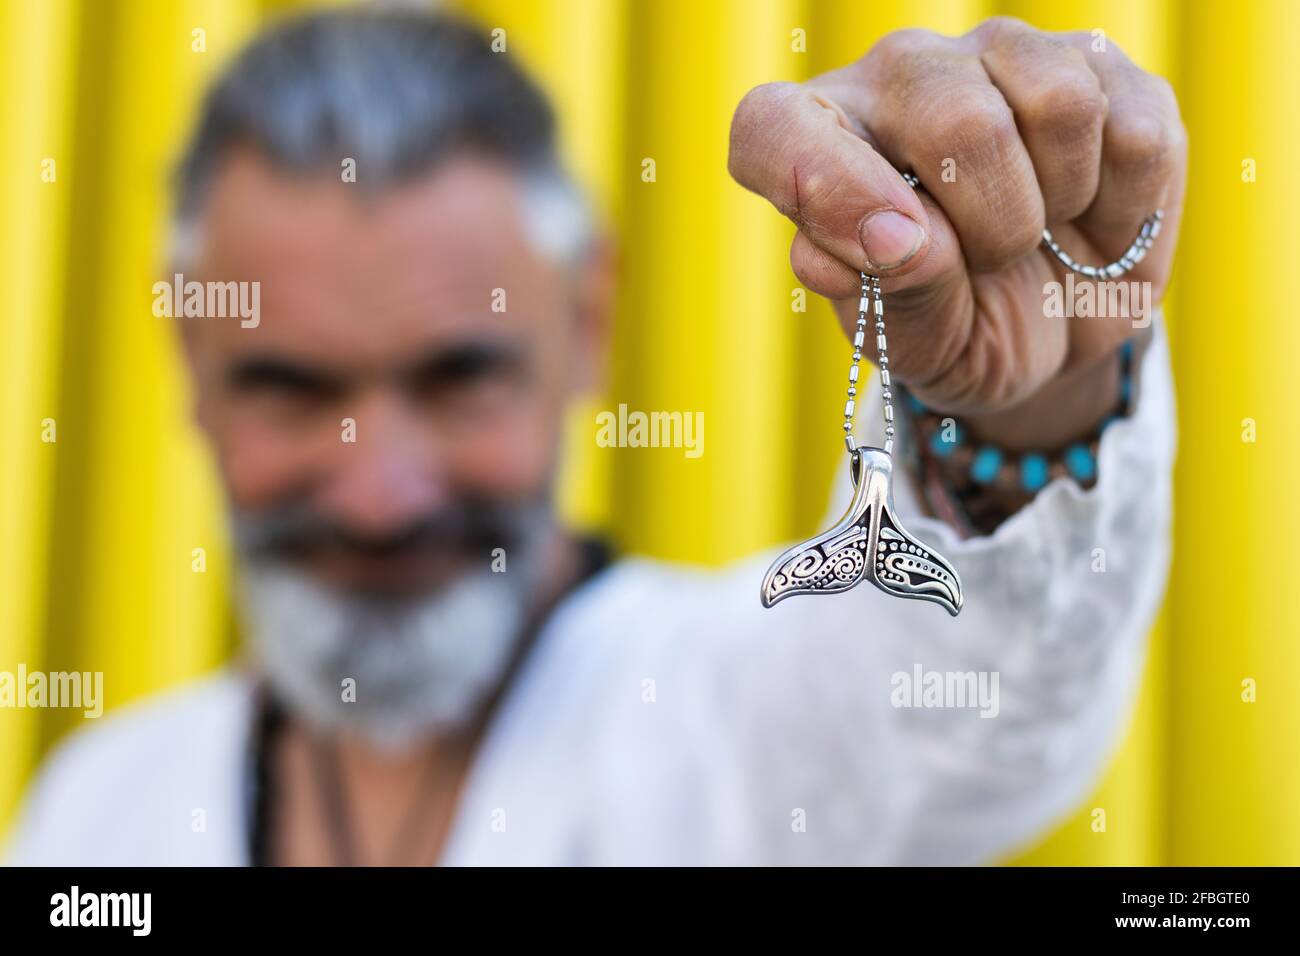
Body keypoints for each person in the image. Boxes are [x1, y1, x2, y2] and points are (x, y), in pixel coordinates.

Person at [5, 9, 1182, 866]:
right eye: (291, 389)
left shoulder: (736, 716)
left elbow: (976, 708)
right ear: (192, 363)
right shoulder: (99, 812)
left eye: (459, 376)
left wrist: (1019, 415)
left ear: (585, 325)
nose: (378, 493)